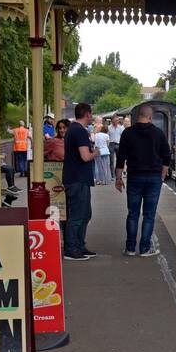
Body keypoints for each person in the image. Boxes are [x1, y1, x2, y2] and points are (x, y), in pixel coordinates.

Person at [114, 102, 172, 257]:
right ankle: (145, 248)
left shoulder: (128, 133)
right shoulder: (158, 133)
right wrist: (163, 173)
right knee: (149, 214)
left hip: (134, 177)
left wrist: (118, 178)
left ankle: (130, 248)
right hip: (153, 177)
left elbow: (121, 158)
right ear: (150, 117)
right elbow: (166, 155)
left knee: (132, 213)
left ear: (137, 116)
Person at [63, 102, 99, 261]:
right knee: (78, 215)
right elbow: (85, 156)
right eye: (91, 114)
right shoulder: (80, 132)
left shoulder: (72, 129)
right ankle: (71, 248)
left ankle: (79, 245)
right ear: (87, 114)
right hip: (78, 179)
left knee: (84, 214)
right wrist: (95, 153)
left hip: (75, 178)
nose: (91, 117)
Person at [93, 120, 111, 186]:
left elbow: (95, 143)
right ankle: (106, 180)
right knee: (106, 166)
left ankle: (99, 180)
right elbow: (108, 144)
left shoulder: (96, 135)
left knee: (98, 166)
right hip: (105, 151)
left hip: (98, 151)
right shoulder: (106, 135)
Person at [107, 115, 125, 180]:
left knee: (119, 160)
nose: (116, 122)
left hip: (118, 144)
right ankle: (112, 175)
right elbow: (106, 136)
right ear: (112, 121)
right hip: (111, 144)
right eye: (115, 120)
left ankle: (117, 174)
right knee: (111, 161)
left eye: (117, 120)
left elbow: (123, 137)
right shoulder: (109, 128)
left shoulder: (120, 128)